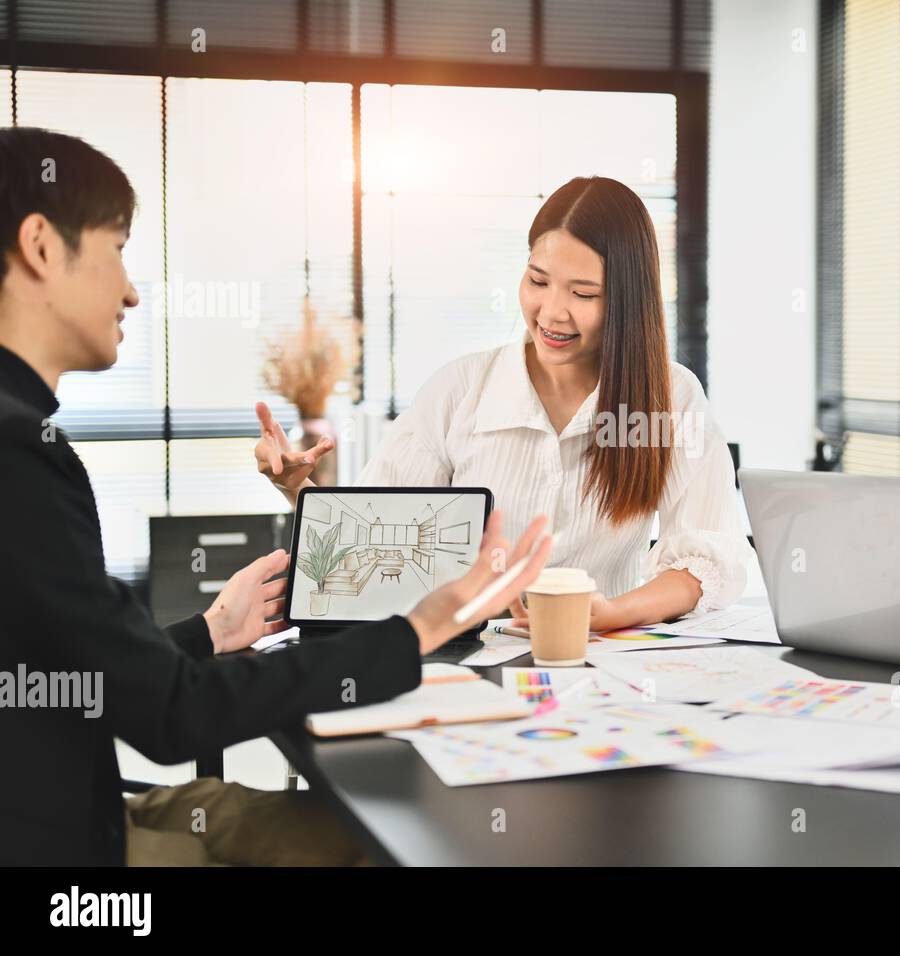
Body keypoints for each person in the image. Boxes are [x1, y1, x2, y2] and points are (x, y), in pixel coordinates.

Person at [0, 127, 552, 865]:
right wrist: (416, 629)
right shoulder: (20, 457)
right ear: (41, 246)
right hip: (77, 854)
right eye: (118, 247)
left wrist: (208, 632)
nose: (131, 288)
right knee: (394, 847)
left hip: (80, 803)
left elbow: (61, 678)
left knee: (363, 835)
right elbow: (171, 719)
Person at [255, 176, 748, 631]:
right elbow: (374, 538)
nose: (552, 312)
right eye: (537, 281)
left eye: (583, 293)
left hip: (606, 655)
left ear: (627, 299)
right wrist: (298, 490)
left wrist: (610, 613)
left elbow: (707, 560)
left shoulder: (670, 398)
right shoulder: (459, 390)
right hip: (467, 653)